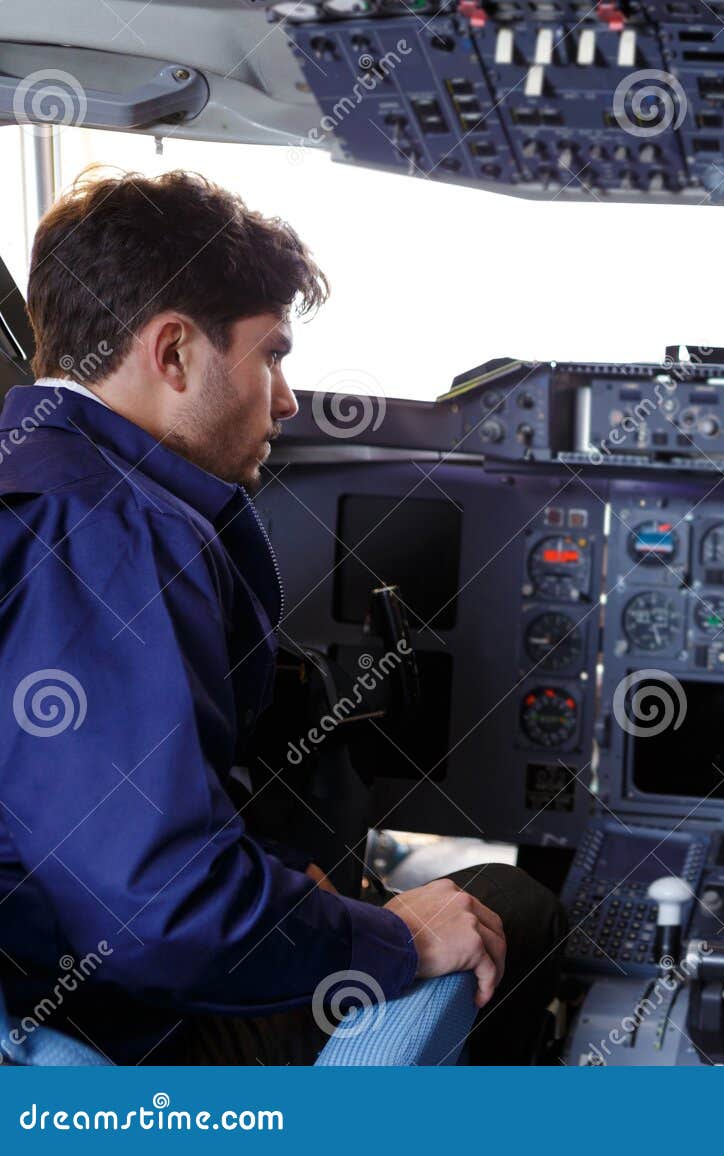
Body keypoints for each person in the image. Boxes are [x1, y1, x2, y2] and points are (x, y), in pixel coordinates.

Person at [0, 170, 565, 1065]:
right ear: (174, 352)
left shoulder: (40, 478)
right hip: (116, 1024)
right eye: (271, 354)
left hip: (65, 977)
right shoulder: (113, 531)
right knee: (504, 899)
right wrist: (391, 941)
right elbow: (155, 906)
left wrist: (281, 895)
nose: (290, 399)